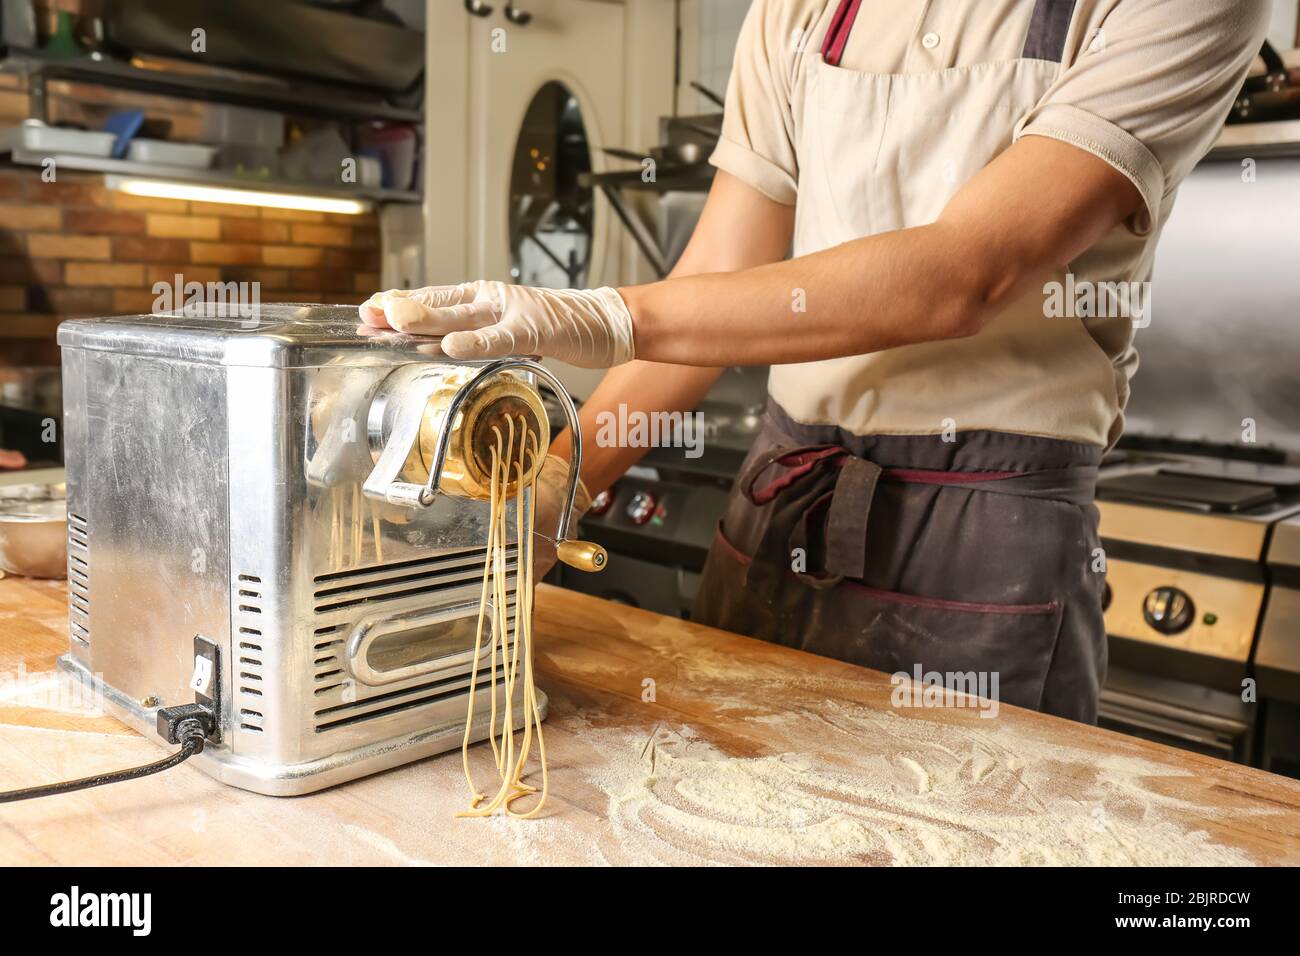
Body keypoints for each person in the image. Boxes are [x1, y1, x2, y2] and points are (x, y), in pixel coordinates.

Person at [361, 0, 1270, 723]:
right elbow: (719, 279)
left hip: (986, 540)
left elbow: (964, 275)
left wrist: (602, 314)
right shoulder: (805, 8)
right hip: (781, 503)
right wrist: (557, 486)